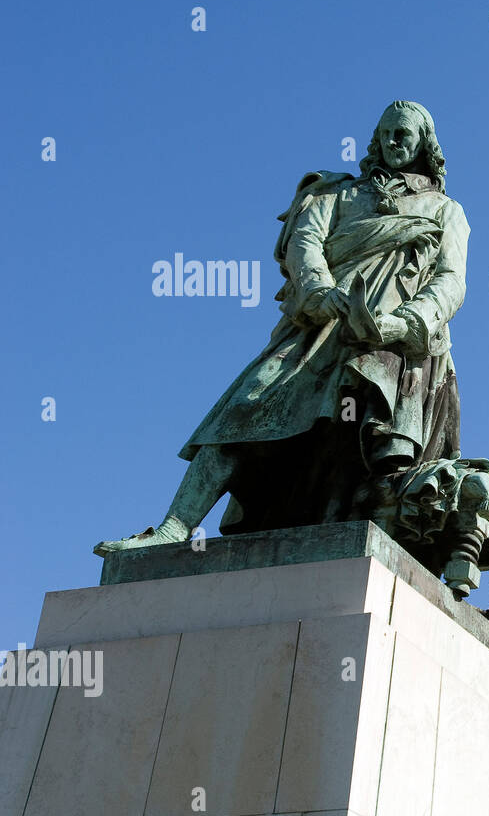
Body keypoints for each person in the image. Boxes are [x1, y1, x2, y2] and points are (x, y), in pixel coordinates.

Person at [95, 100, 470, 555]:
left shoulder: (446, 210)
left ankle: (345, 531)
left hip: (389, 340)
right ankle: (174, 527)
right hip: (318, 328)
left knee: (355, 425)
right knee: (242, 412)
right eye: (386, 132)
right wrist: (321, 292)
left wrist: (403, 324)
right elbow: (304, 243)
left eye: (403, 134)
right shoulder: (334, 192)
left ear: (423, 145)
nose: (393, 141)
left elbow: (450, 280)